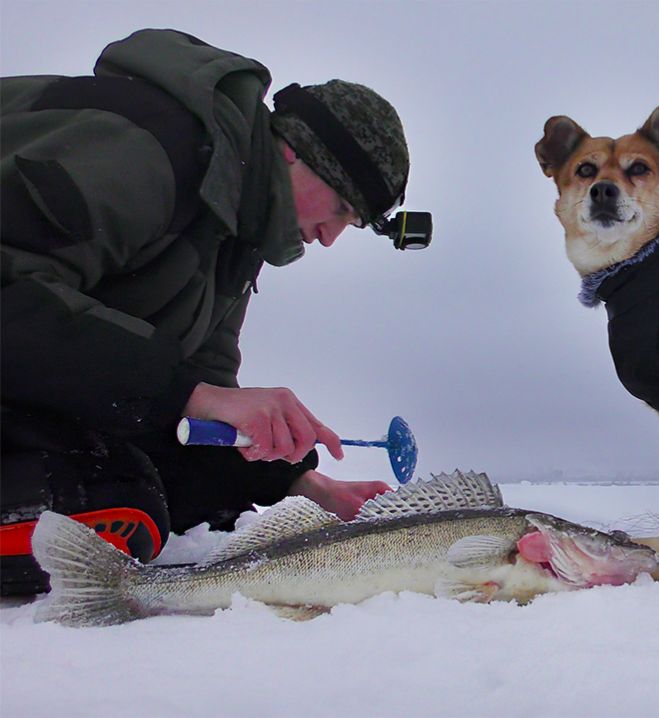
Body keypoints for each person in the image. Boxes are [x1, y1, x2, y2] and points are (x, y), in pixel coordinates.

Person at [1, 29, 414, 595]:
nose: (331, 237)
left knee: (201, 492)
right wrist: (191, 394)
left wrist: (302, 484)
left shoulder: (231, 236)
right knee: (114, 507)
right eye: (341, 207)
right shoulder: (145, 152)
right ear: (292, 152)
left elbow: (197, 385)